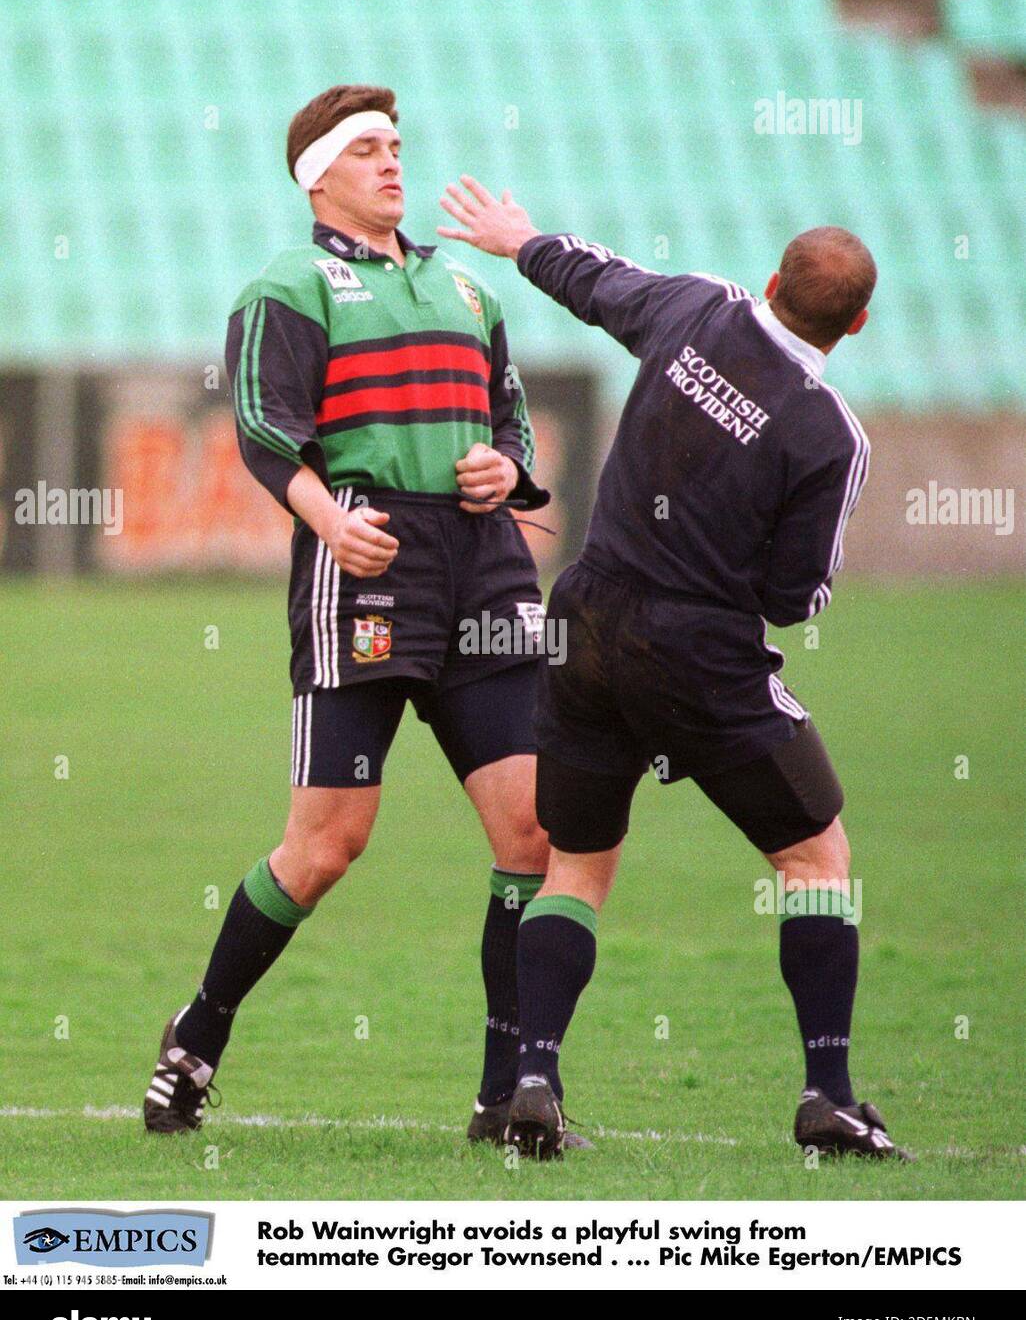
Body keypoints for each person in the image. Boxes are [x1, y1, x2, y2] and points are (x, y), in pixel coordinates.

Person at [437, 176, 910, 1161]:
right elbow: (793, 596)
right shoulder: (829, 434)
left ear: (771, 280)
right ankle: (827, 1096)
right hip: (698, 653)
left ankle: (534, 1081)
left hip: (586, 617)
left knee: (575, 865)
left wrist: (520, 239)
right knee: (814, 858)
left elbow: (596, 282)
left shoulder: (698, 308)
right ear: (857, 324)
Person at [143, 87, 552, 1144]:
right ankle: (198, 1030)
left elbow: (511, 416)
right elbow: (261, 427)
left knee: (534, 832)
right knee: (328, 844)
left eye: (397, 145)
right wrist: (329, 519)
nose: (391, 161)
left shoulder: (469, 284)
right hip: (367, 565)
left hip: (486, 566)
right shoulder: (288, 287)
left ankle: (506, 1096)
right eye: (367, 148)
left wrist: (506, 468)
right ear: (316, 176)